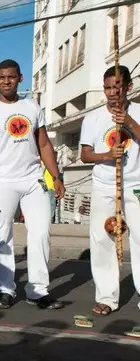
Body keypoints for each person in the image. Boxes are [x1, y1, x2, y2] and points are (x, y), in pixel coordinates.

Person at [0, 59, 65, 310]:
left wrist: (56, 176)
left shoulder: (32, 107)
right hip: (2, 182)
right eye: (1, 77)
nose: (6, 81)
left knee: (41, 233)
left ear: (20, 78)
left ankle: (38, 290)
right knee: (1, 237)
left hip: (33, 180)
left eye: (11, 77)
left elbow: (44, 144)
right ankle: (5, 290)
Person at [80, 65, 140, 317]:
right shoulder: (92, 118)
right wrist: (107, 155)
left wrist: (128, 122)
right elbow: (84, 154)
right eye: (107, 87)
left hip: (136, 184)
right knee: (103, 239)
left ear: (129, 86)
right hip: (104, 186)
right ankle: (106, 296)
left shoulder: (137, 111)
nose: (112, 92)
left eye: (117, 86)